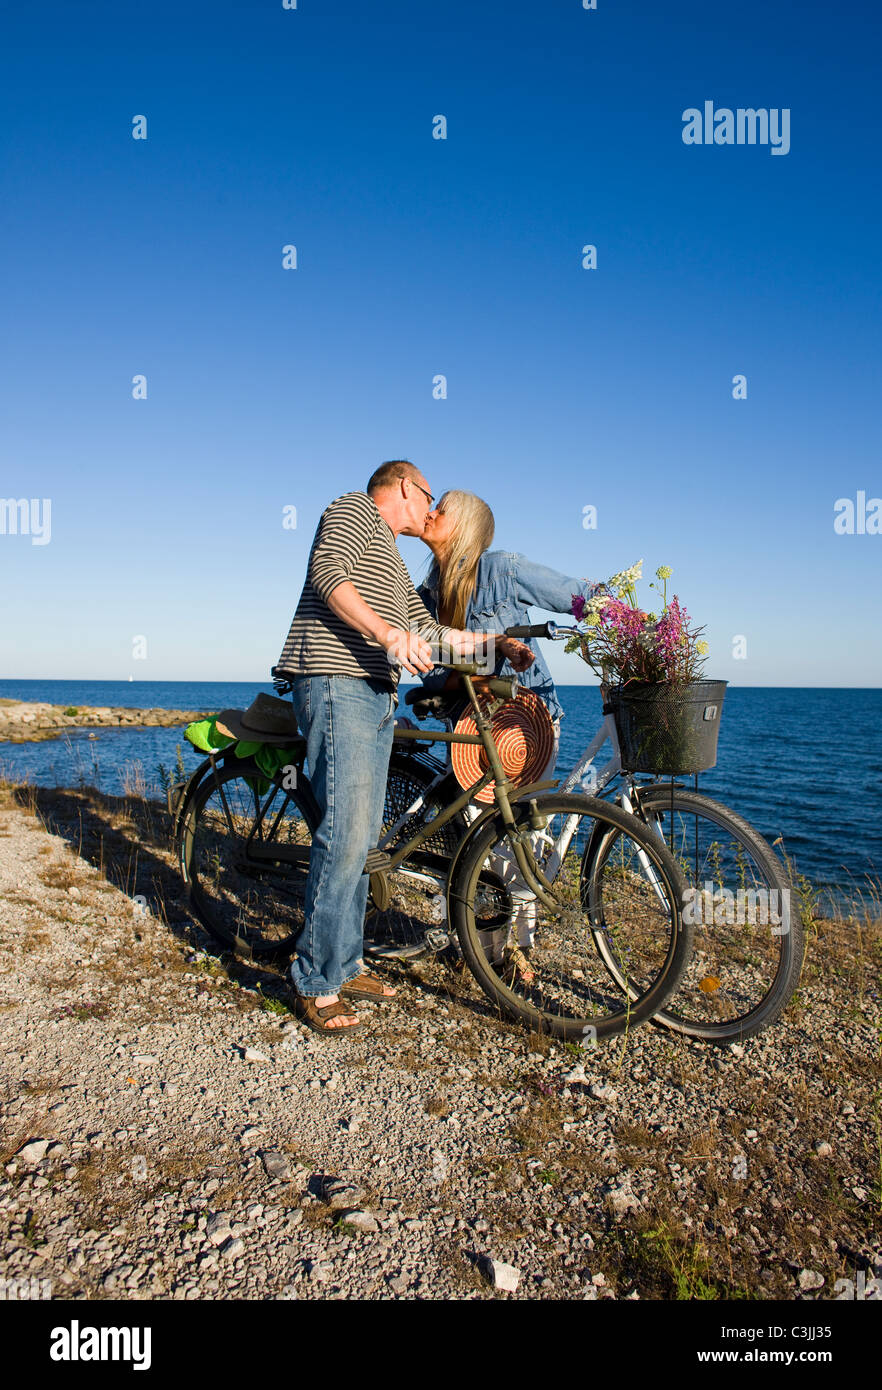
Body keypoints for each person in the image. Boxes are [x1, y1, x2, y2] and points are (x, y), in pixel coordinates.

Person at [275, 461, 506, 1034]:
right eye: (428, 496)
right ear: (404, 485)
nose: (432, 511)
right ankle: (315, 978)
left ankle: (344, 961)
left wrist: (497, 648)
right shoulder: (352, 509)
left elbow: (431, 634)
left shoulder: (397, 566)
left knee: (359, 839)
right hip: (335, 680)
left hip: (375, 694)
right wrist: (385, 634)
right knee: (347, 834)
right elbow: (328, 574)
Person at [416, 489, 603, 982]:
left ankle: (516, 950)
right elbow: (430, 679)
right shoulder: (424, 597)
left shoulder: (502, 569)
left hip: (525, 725)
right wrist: (475, 668)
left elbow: (578, 596)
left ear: (467, 525)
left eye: (443, 506)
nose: (431, 510)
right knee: (479, 839)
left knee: (522, 831)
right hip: (471, 735)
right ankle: (481, 944)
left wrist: (632, 627)